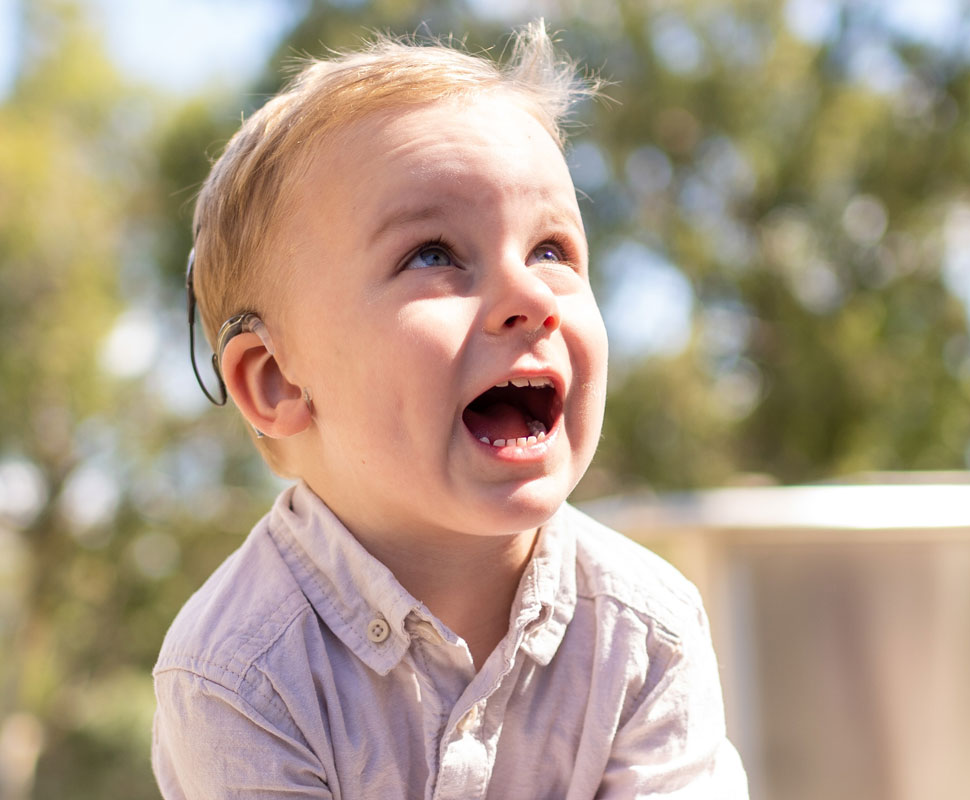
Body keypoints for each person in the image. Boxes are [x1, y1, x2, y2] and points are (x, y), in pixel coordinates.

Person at [152, 20, 748, 799]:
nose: (531, 298)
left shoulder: (646, 632)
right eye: (432, 254)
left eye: (552, 251)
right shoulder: (240, 674)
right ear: (277, 383)